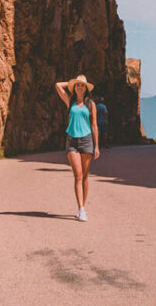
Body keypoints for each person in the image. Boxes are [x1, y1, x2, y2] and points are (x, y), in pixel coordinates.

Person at [55, 74, 99, 220]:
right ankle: (81, 208)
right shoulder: (70, 101)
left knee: (85, 176)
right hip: (72, 140)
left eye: (82, 85)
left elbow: (94, 126)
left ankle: (82, 207)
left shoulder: (90, 104)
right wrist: (71, 83)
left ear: (86, 88)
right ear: (75, 88)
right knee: (78, 175)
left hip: (87, 140)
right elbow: (57, 86)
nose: (80, 87)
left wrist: (97, 146)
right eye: (78, 85)